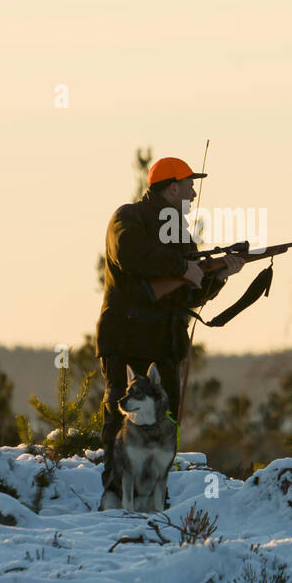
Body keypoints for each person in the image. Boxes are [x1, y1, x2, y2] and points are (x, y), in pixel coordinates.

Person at [94, 156, 245, 508]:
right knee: (120, 424)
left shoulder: (181, 235)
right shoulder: (127, 219)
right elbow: (131, 253)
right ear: (172, 187)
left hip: (164, 346)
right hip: (127, 340)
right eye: (189, 185)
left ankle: (155, 500)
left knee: (164, 427)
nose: (193, 193)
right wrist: (183, 267)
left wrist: (218, 276)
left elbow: (189, 295)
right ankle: (116, 499)